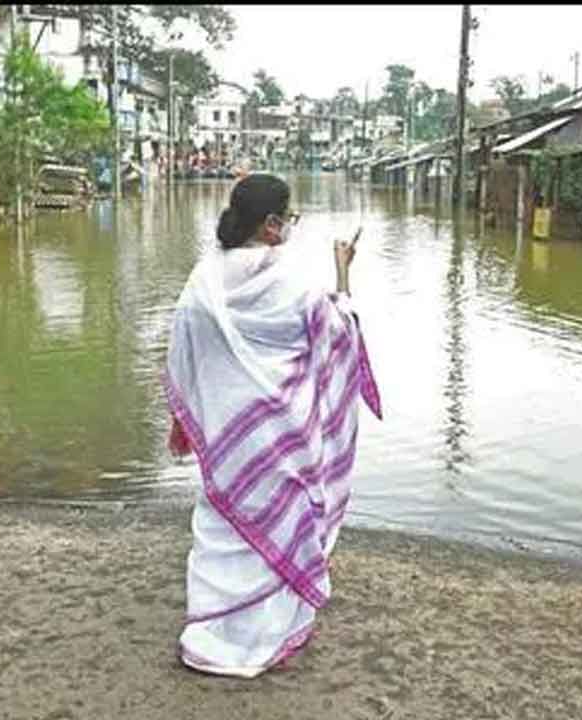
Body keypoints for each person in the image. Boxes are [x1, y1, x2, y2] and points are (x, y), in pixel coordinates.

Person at [164, 174, 382, 678]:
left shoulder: (204, 278)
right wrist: (343, 275)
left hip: (229, 436)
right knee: (279, 524)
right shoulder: (293, 283)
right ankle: (262, 637)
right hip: (282, 437)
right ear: (269, 225)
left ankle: (212, 638)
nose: (290, 226)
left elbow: (185, 353)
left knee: (226, 526)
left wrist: (189, 418)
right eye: (288, 217)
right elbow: (339, 335)